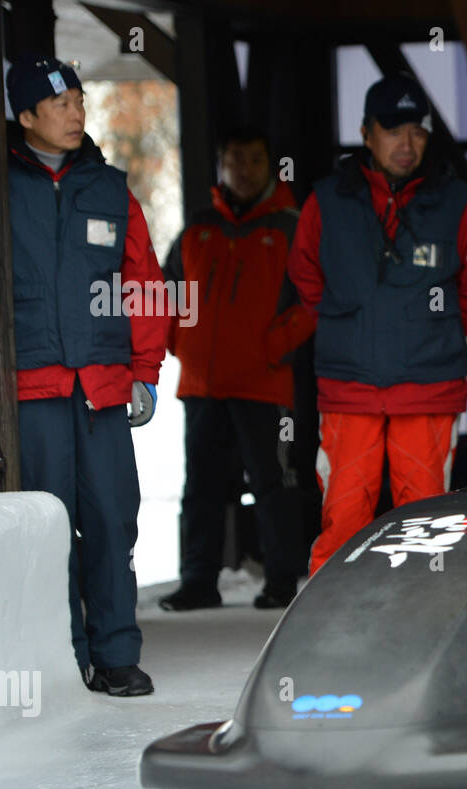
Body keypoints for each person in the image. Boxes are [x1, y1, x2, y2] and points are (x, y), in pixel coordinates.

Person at [5, 53, 166, 696]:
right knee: (50, 524)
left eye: (79, 100)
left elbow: (145, 283)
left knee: (111, 516)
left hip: (102, 384)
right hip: (32, 383)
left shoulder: (108, 186)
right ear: (26, 117)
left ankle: (116, 653)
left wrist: (145, 372)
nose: (77, 113)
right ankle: (65, 658)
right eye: (61, 104)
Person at [288, 74, 467, 575]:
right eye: (393, 129)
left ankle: (426, 633)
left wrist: (424, 333)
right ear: (366, 132)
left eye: (417, 131)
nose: (407, 143)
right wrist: (352, 326)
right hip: (349, 389)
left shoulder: (458, 201)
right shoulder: (327, 200)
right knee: (343, 520)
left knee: (427, 524)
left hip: (427, 387)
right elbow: (305, 277)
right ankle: (330, 636)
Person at [158, 126, 314, 612]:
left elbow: (314, 298)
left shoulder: (290, 226)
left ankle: (281, 579)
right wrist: (178, 344)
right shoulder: (198, 227)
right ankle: (198, 581)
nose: (242, 170)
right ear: (221, 166)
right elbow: (166, 291)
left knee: (272, 484)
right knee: (199, 487)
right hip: (203, 383)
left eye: (253, 160)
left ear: (269, 167)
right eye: (234, 160)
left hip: (263, 383)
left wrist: (274, 347)